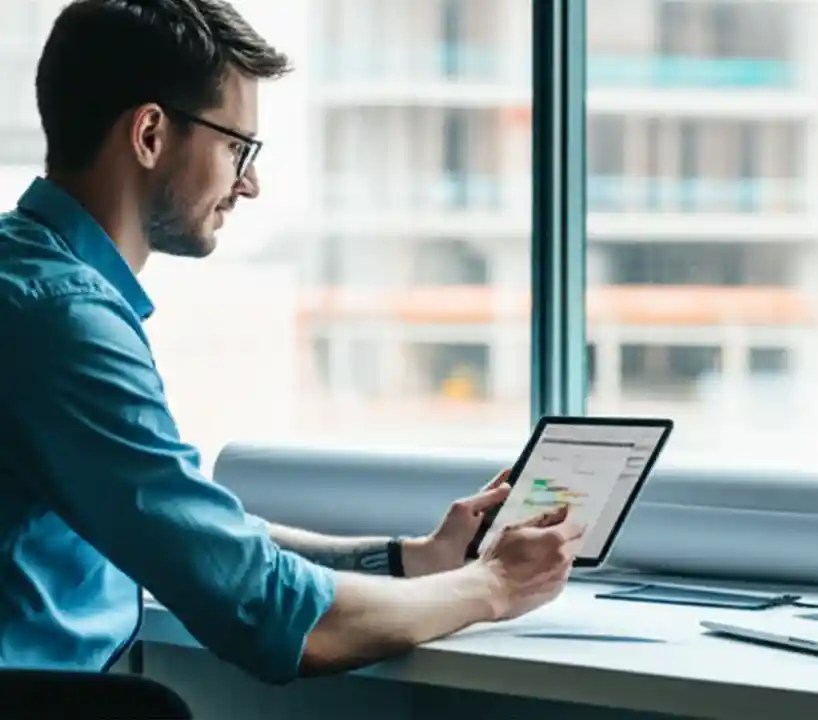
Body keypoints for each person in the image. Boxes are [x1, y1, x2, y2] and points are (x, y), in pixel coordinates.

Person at [0, 0, 582, 683]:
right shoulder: (61, 321)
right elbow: (263, 607)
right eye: (236, 146)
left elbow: (197, 534)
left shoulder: (28, 281)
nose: (249, 183)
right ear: (151, 135)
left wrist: (408, 560)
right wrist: (492, 588)